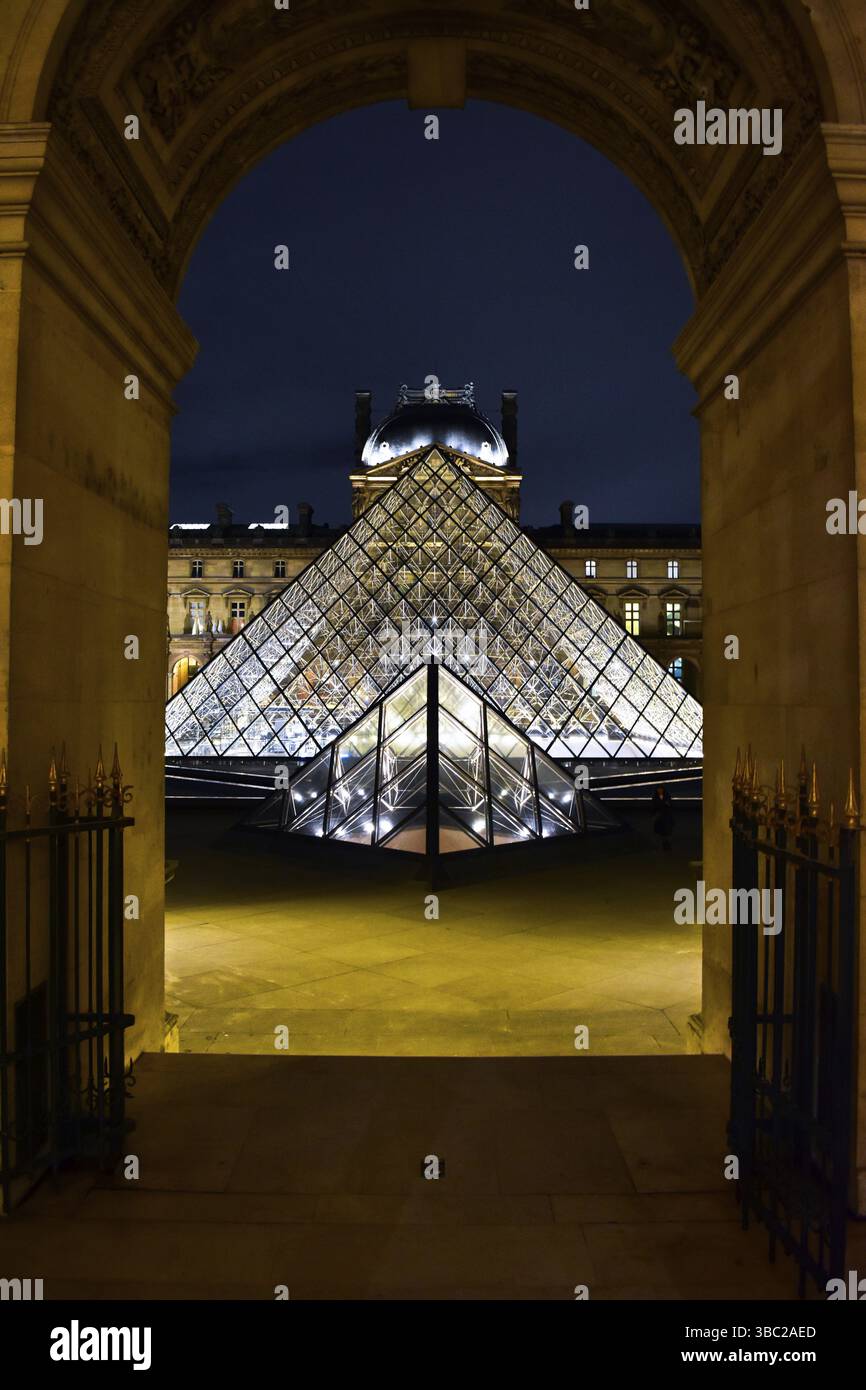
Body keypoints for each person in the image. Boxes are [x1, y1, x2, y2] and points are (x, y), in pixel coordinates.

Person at [651, 784, 675, 852]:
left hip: (666, 815)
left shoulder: (667, 796)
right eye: (658, 789)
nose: (660, 790)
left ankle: (666, 843)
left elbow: (670, 804)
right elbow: (654, 805)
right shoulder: (655, 797)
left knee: (667, 828)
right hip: (659, 815)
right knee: (660, 829)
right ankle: (663, 843)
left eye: (661, 789)